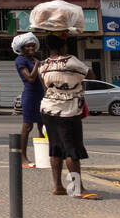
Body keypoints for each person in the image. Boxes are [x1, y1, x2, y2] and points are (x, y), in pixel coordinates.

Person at [38, 34, 100, 199]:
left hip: (48, 109)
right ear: (64, 45)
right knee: (71, 150)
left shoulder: (43, 65)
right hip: (68, 111)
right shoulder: (71, 61)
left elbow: (45, 85)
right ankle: (78, 188)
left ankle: (58, 186)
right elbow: (91, 75)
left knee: (55, 148)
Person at [13, 32, 42, 168]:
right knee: (27, 127)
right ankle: (23, 157)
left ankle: (45, 156)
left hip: (41, 95)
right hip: (30, 96)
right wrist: (37, 65)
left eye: (32, 45)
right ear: (22, 48)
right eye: (28, 46)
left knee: (43, 126)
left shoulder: (34, 60)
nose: (31, 48)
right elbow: (30, 78)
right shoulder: (21, 60)